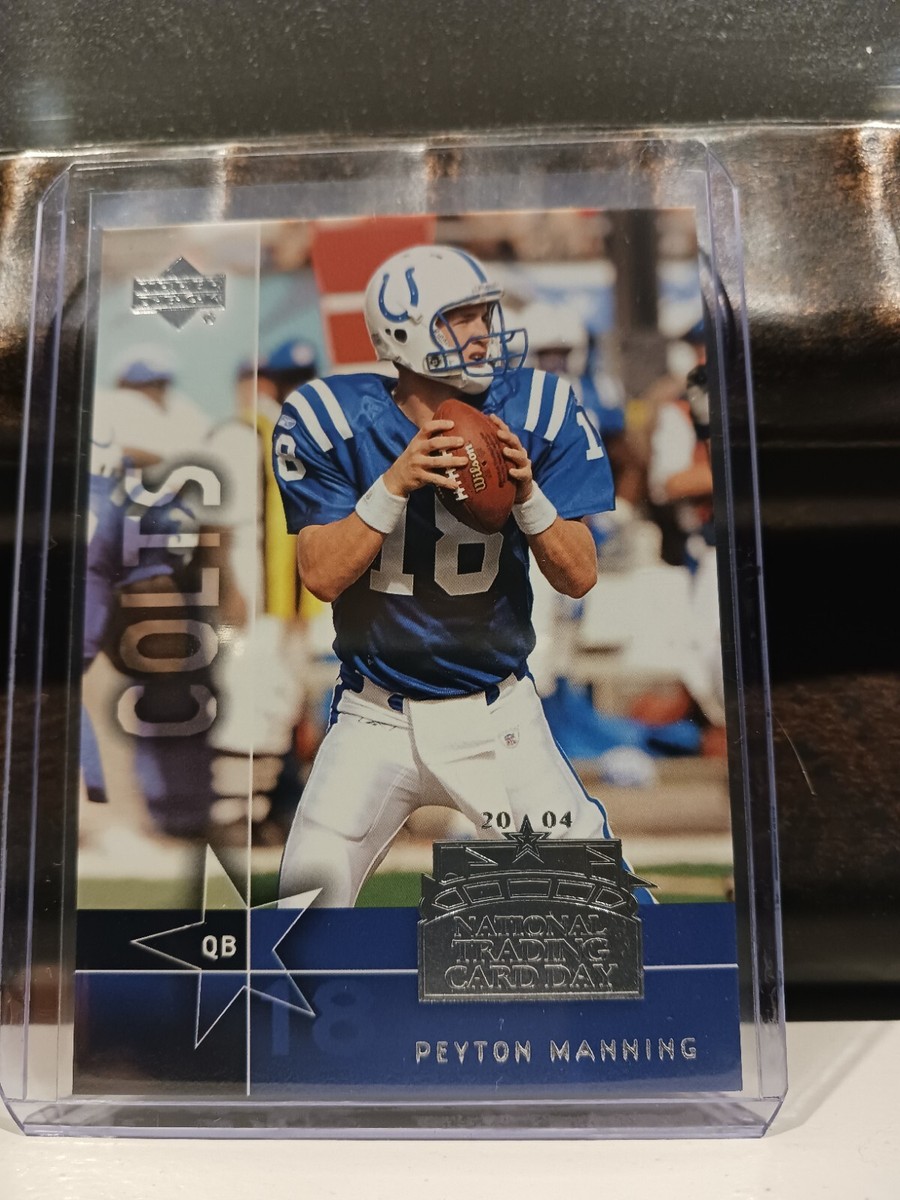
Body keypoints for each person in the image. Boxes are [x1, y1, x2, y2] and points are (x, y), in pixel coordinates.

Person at [272, 244, 638, 907]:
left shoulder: (536, 408)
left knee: (607, 918)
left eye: (484, 315)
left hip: (497, 716)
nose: (482, 333)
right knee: (298, 921)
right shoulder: (335, 420)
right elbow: (320, 575)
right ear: (404, 332)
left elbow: (579, 574)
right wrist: (392, 485)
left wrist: (528, 496)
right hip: (374, 717)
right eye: (460, 318)